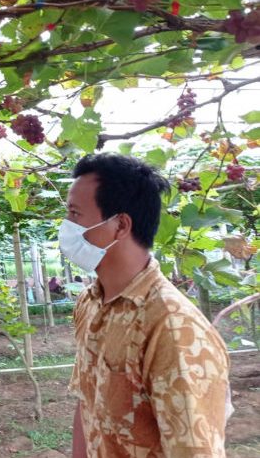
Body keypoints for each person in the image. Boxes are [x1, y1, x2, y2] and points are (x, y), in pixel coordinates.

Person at [61, 154, 230, 457]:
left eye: (74, 213)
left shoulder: (173, 326)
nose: (66, 226)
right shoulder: (90, 302)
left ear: (120, 225)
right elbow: (86, 402)